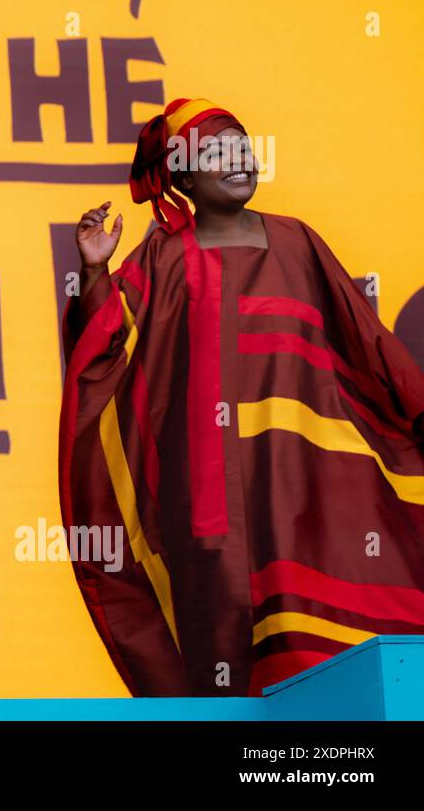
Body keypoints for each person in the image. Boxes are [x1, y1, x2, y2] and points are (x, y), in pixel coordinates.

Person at [59, 97, 424, 696]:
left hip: (311, 476)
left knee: (326, 625)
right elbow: (102, 351)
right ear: (181, 177)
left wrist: (414, 403)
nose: (239, 160)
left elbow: (366, 337)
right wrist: (95, 272)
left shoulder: (298, 241)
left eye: (244, 147)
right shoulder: (163, 256)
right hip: (215, 496)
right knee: (227, 644)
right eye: (216, 151)